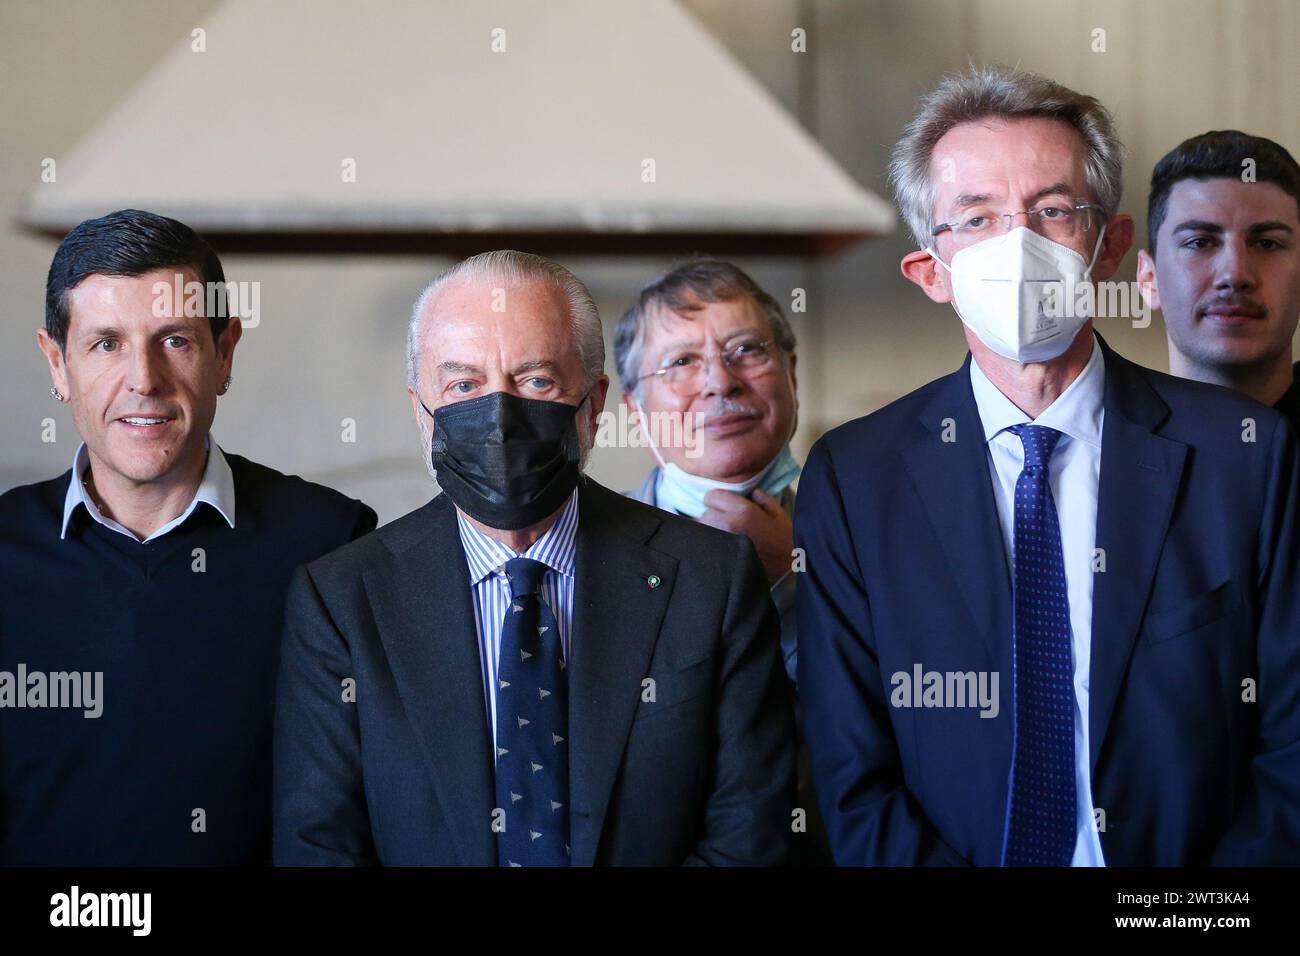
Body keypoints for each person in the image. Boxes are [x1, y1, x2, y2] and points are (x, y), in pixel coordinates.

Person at [797, 66, 1300, 866]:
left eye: (1054, 210)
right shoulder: (857, 479)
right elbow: (851, 773)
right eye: (978, 216)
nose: (1019, 243)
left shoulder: (1244, 455)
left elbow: (1290, 753)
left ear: (1111, 248)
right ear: (931, 272)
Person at [273, 250, 794, 866]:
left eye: (535, 380)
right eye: (464, 385)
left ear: (594, 405)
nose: (500, 414)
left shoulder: (712, 579)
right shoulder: (341, 599)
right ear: (421, 409)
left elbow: (750, 837)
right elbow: (319, 848)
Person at [0, 209, 376, 865]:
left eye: (174, 340)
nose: (143, 380)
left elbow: (361, 810)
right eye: (105, 344)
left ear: (224, 352)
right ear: (57, 364)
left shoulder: (330, 543)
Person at [1135, 130, 1300, 429]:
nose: (1235, 275)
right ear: (1149, 279)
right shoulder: (1097, 451)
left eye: (1266, 243)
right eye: (1200, 243)